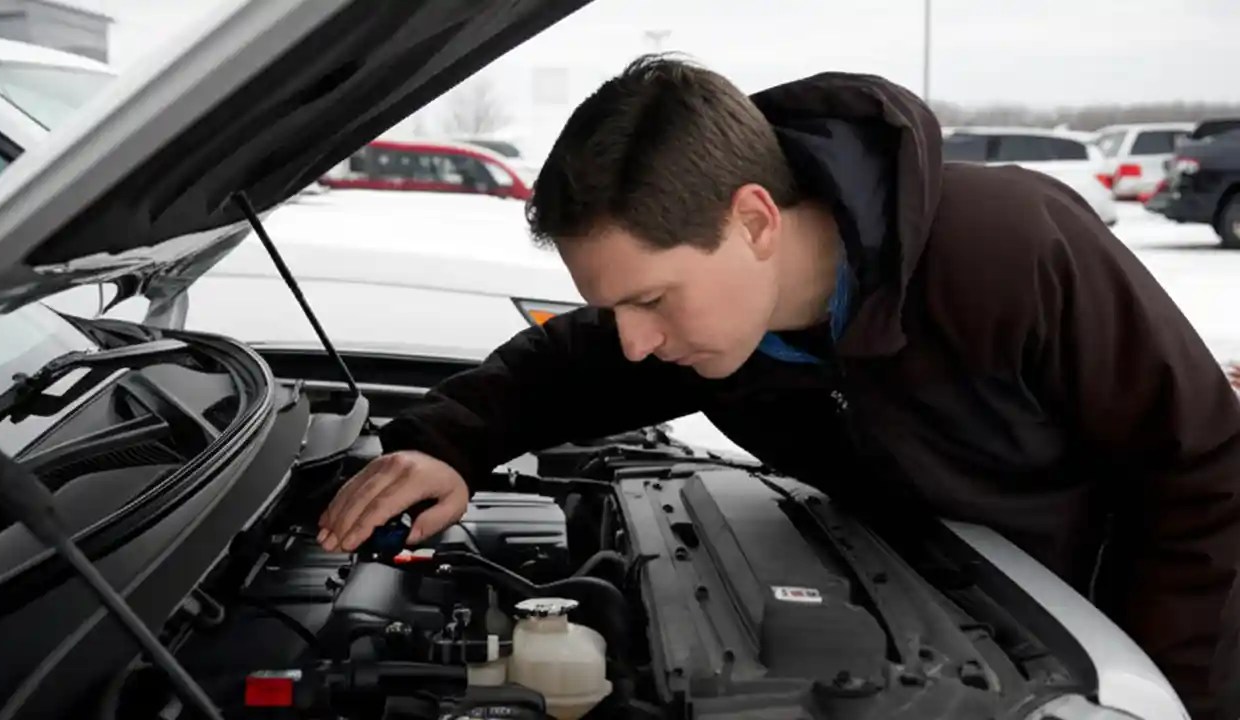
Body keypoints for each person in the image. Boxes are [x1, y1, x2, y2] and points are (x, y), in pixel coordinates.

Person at [318, 55, 1240, 718]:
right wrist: (445, 445)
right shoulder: (720, 317)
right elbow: (561, 367)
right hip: (939, 633)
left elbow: (1203, 474)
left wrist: (1147, 694)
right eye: (617, 307)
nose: (636, 345)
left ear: (754, 218)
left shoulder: (1011, 248)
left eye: (649, 300)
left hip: (1120, 647)